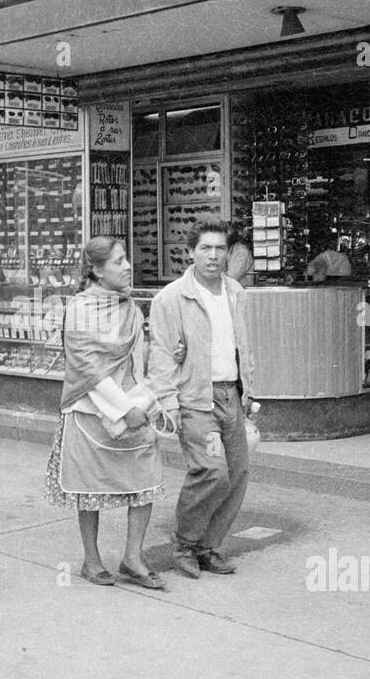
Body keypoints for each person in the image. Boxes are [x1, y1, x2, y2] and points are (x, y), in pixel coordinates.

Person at [46, 236, 171, 590]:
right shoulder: (80, 308)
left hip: (131, 405)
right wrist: (123, 408)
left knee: (146, 480)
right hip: (88, 409)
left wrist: (147, 402)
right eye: (118, 261)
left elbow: (136, 363)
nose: (128, 266)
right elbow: (87, 367)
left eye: (126, 259)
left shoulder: (131, 307)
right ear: (98, 271)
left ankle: (133, 558)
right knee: (89, 489)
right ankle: (92, 560)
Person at [148, 220, 256, 579]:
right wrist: (168, 403)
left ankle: (210, 547)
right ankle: (184, 543)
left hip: (232, 394)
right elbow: (162, 354)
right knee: (212, 472)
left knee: (237, 475)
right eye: (205, 248)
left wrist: (250, 391)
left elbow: (244, 346)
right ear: (191, 252)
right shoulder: (171, 298)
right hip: (196, 398)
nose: (213, 255)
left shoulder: (236, 291)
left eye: (220, 248)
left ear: (229, 253)